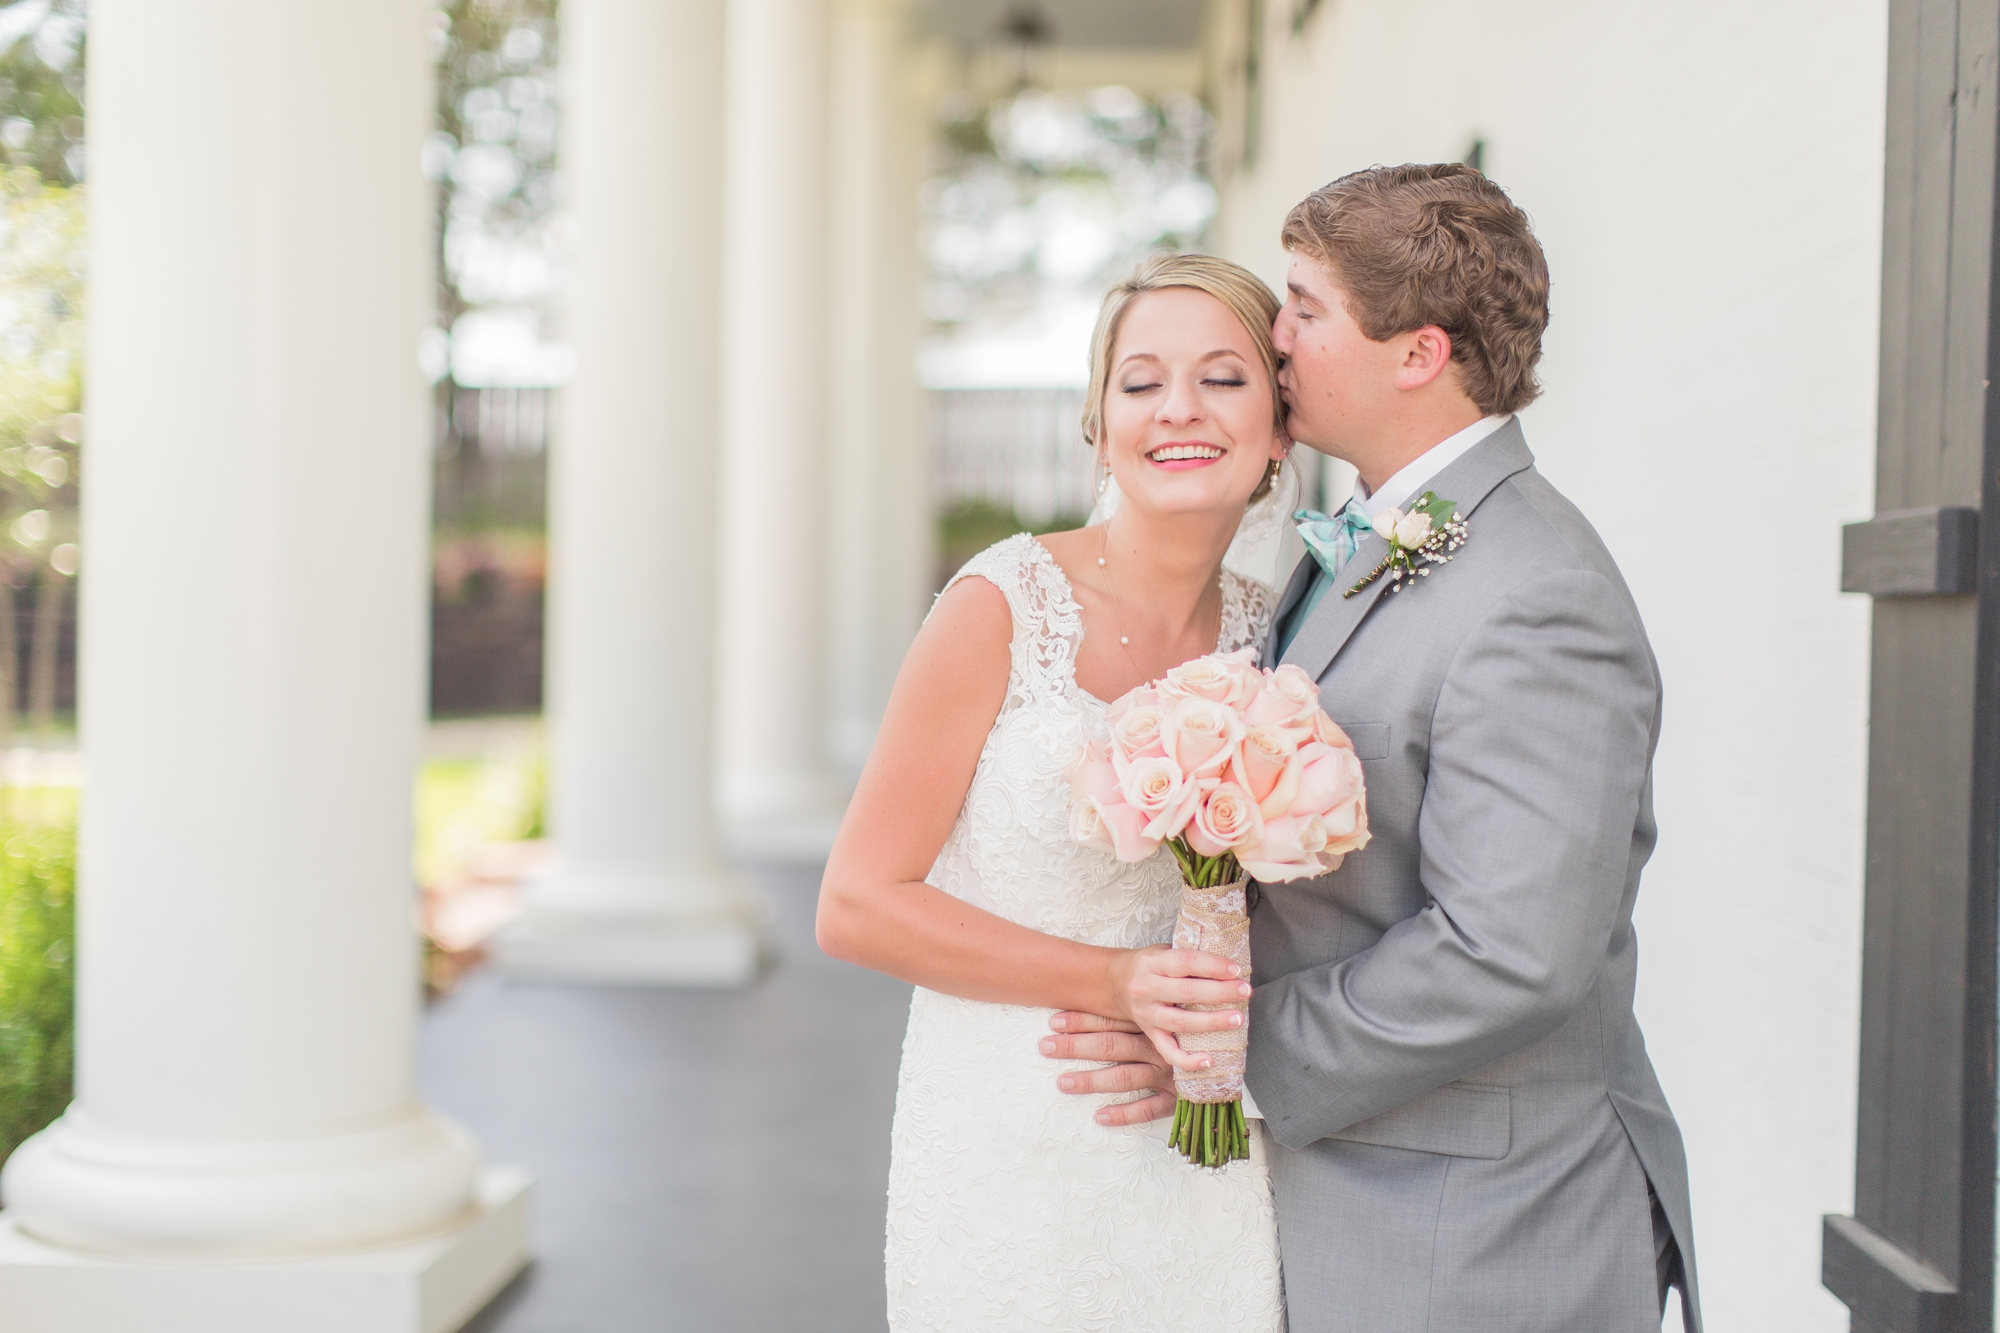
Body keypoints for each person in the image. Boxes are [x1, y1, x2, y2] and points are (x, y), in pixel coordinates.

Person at [1044, 164, 1704, 1332]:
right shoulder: (1364, 534)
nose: (1273, 334)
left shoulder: (1536, 592)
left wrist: (1229, 1052)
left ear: (1416, 354)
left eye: (1302, 307)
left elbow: (1509, 951)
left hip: (1480, 1232)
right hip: (1358, 1197)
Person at [816, 252, 1292, 1331]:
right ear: (1097, 423)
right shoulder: (1000, 604)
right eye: (1139, 381)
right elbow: (853, 902)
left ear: (1278, 429)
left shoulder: (1283, 637)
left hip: (1204, 1148)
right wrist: (1114, 978)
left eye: (1223, 378)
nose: (1180, 408)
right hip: (1010, 1144)